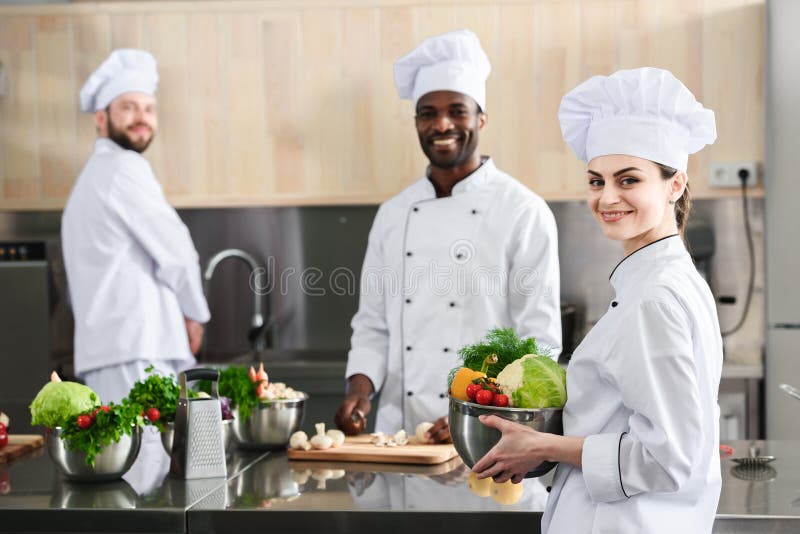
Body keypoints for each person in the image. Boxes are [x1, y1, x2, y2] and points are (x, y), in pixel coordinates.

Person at [472, 67, 723, 532]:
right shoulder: (660, 280)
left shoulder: (655, 298)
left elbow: (667, 459)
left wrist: (543, 447)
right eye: (596, 181)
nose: (607, 197)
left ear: (675, 185)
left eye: (628, 180)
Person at [335, 30, 561, 442]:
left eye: (457, 110)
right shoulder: (393, 214)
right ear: (417, 122)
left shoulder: (523, 211)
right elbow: (372, 325)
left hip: (491, 438)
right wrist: (359, 389)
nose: (442, 124)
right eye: (427, 112)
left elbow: (538, 342)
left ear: (481, 119)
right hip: (401, 437)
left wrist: (476, 413)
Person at [62, 49, 210, 403]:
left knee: (124, 457)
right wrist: (195, 314)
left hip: (113, 354)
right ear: (101, 118)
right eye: (128, 107)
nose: (141, 117)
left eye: (148, 108)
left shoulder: (92, 179)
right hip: (137, 351)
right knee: (148, 458)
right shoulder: (123, 169)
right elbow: (176, 251)